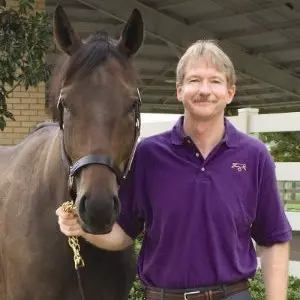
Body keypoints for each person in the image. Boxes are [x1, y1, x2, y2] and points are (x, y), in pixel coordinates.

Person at [56, 40, 292, 300]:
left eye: (215, 81)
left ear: (230, 92)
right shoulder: (148, 155)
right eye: (194, 80)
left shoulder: (254, 156)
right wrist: (81, 228)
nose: (204, 90)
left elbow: (273, 239)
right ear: (179, 90)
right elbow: (122, 234)